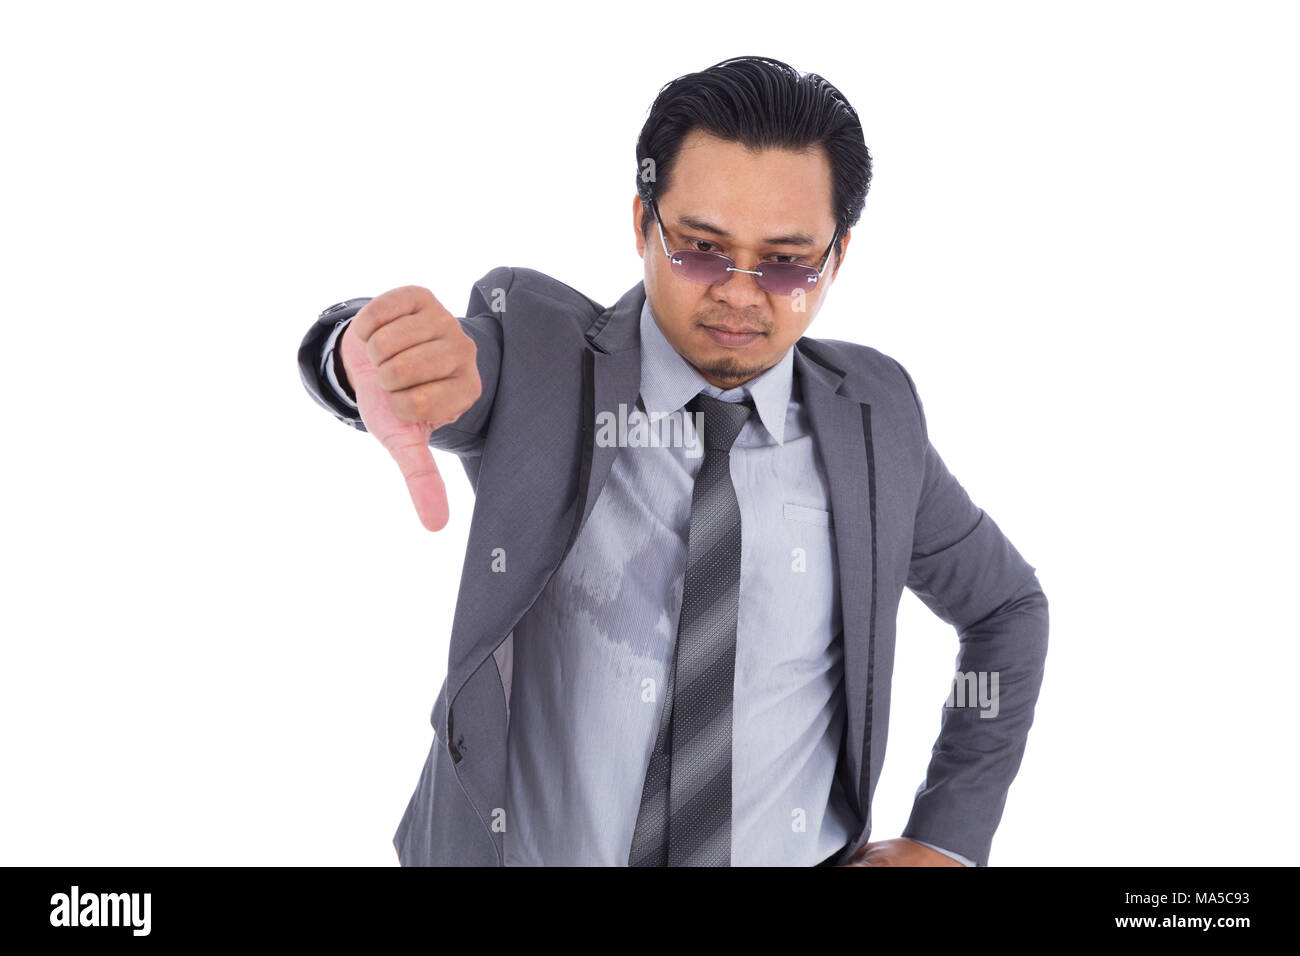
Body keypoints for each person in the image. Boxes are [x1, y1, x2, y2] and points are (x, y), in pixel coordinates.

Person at [296, 55, 1049, 866]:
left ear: (835, 260)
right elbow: (442, 367)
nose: (739, 291)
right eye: (699, 249)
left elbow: (1006, 609)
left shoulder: (874, 418)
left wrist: (949, 836)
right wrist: (359, 353)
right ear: (641, 223)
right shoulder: (543, 361)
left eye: (788, 262)